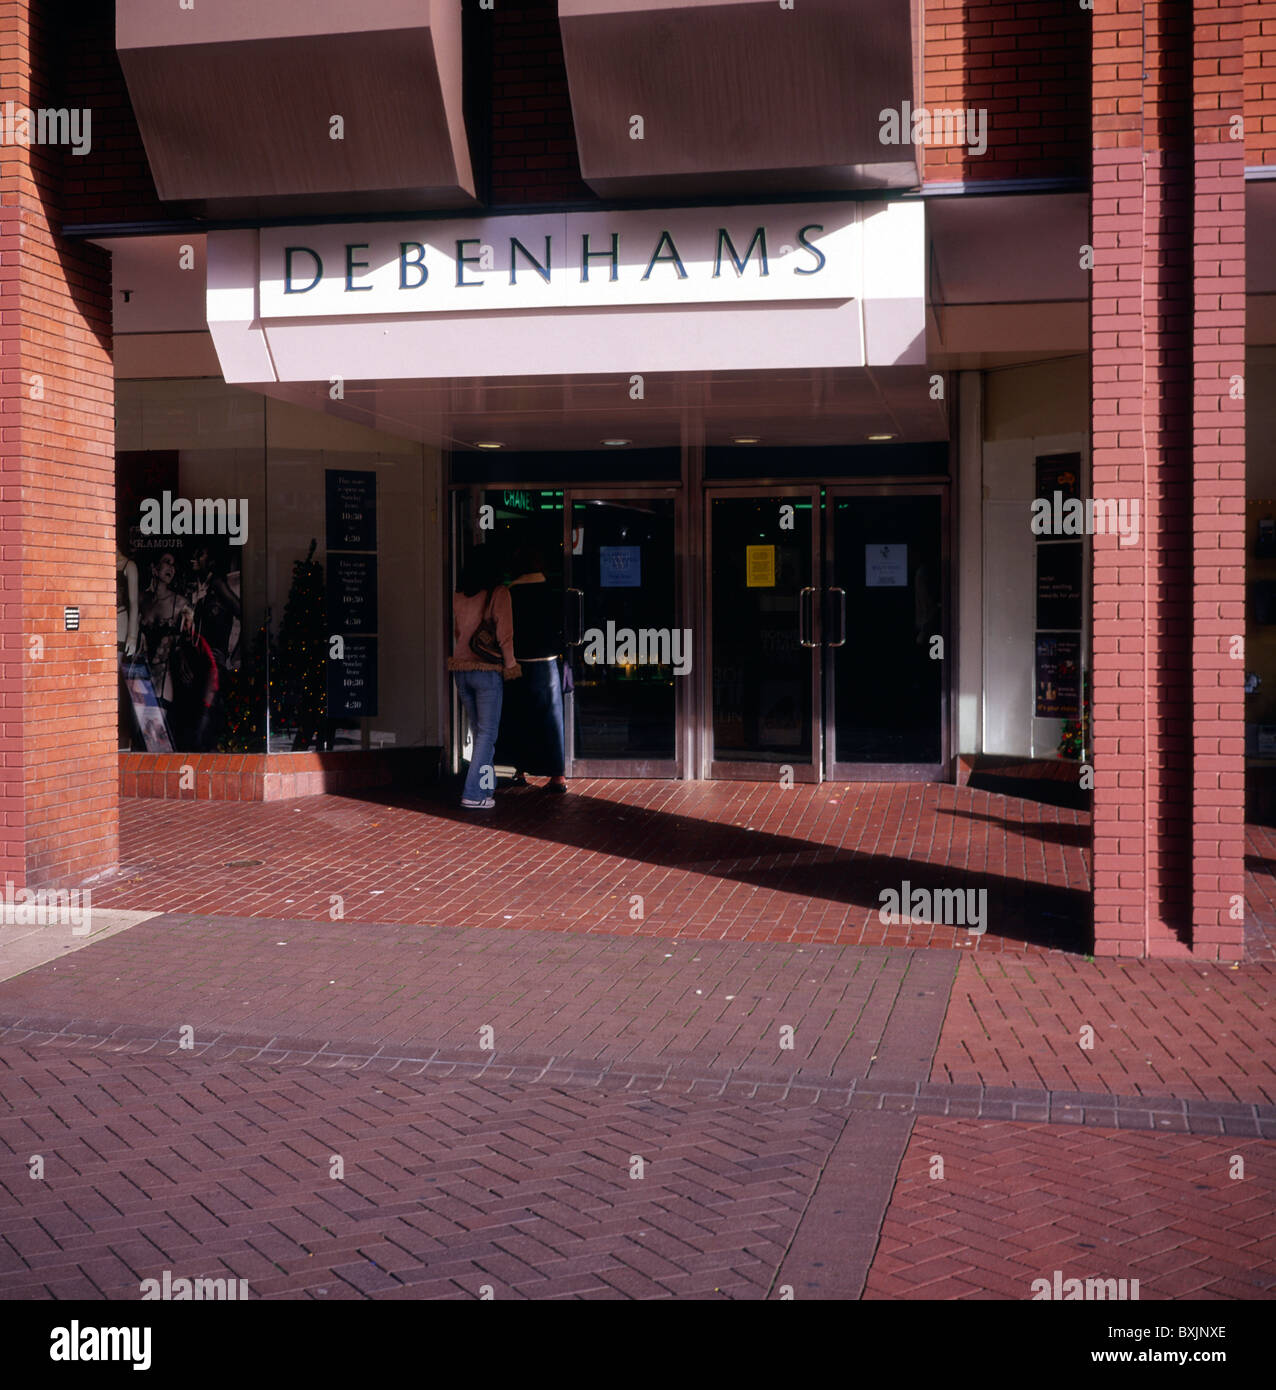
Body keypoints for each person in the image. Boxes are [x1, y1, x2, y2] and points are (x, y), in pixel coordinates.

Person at [449, 547, 521, 809]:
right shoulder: (498, 593)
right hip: (487, 671)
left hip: (461, 669)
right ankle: (473, 794)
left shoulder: (459, 595)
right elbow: (505, 634)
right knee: (486, 734)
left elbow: (458, 631)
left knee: (479, 731)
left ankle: (486, 787)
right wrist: (511, 665)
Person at [496, 545, 568, 793]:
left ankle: (519, 770)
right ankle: (558, 775)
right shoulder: (551, 591)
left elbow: (504, 630)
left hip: (518, 662)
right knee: (551, 720)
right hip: (547, 663)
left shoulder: (510, 593)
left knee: (518, 719)